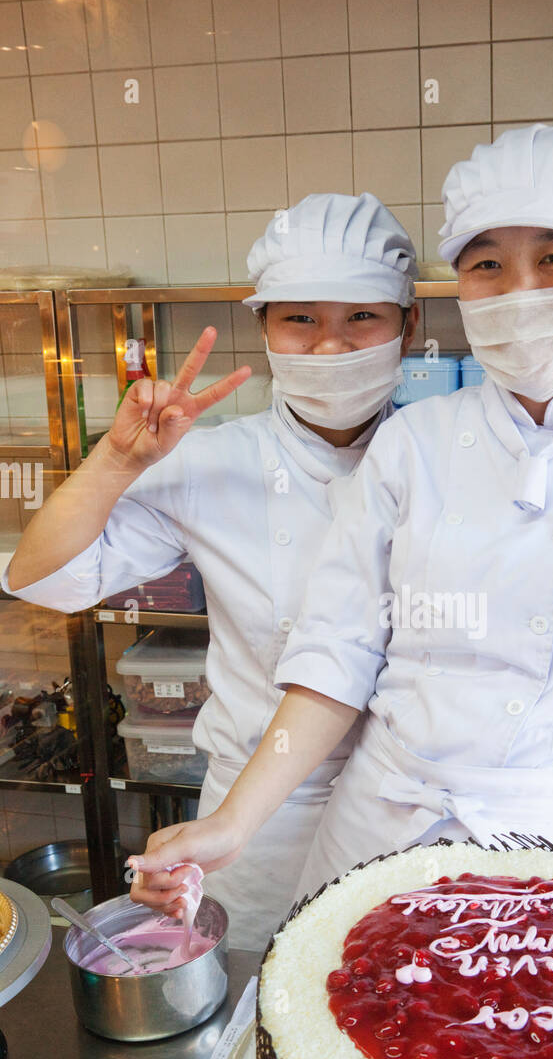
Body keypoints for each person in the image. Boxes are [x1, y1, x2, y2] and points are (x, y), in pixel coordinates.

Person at [128, 124, 553, 916]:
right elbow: (337, 658)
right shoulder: (417, 442)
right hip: (377, 829)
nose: (518, 289)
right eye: (486, 265)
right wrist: (233, 823)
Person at [4, 193, 419, 949]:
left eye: (360, 316)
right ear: (262, 328)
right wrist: (116, 461)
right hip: (255, 829)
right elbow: (45, 579)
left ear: (408, 326)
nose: (329, 346)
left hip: (408, 811)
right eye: (300, 319)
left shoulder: (445, 456)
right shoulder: (215, 458)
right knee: (254, 1017)